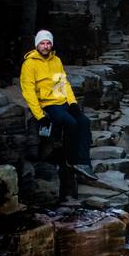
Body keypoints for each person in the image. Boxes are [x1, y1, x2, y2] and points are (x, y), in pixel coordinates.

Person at [20, 29, 96, 182]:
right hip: (47, 104)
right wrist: (39, 115)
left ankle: (84, 163)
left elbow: (64, 84)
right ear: (37, 45)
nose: (45, 46)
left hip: (62, 102)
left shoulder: (57, 61)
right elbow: (28, 92)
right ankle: (73, 161)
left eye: (48, 43)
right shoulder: (29, 64)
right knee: (71, 123)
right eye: (42, 43)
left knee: (84, 122)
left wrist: (72, 102)